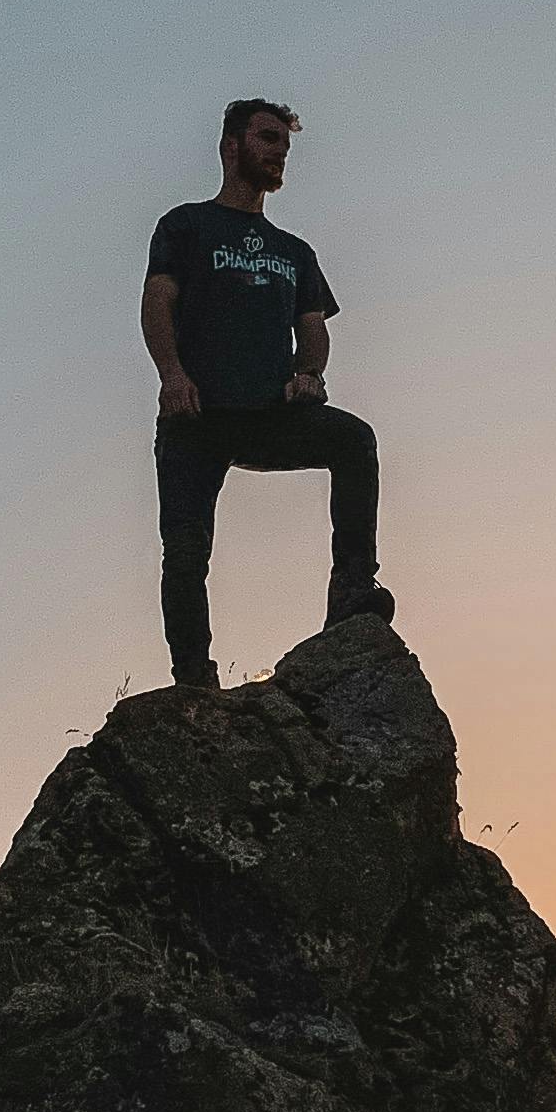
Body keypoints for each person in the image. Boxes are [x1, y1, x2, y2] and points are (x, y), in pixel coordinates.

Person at [143, 99, 394, 692]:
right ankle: (195, 682)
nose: (279, 152)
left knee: (354, 441)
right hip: (196, 415)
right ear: (231, 145)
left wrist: (309, 374)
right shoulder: (185, 225)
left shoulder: (294, 251)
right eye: (268, 138)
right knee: (185, 553)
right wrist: (172, 376)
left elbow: (313, 327)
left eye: (285, 143)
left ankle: (351, 589)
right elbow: (158, 302)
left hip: (269, 414)